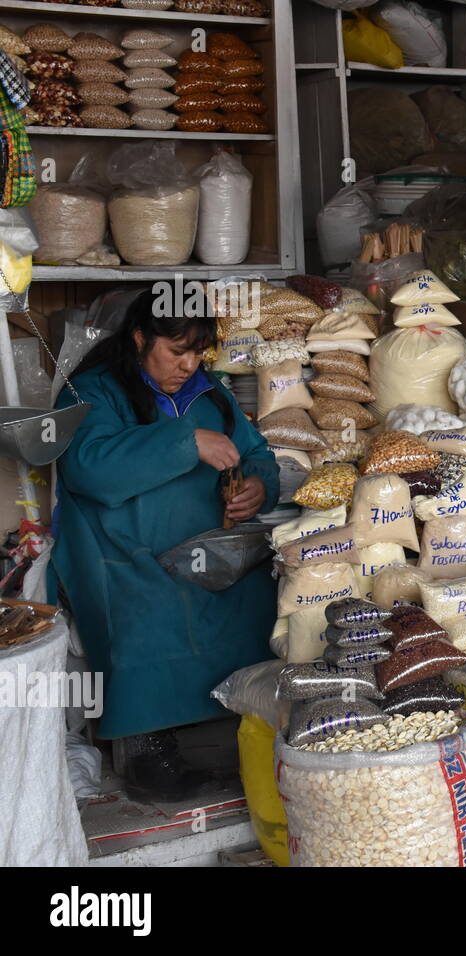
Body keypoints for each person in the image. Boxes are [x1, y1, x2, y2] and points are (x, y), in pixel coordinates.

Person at [51, 291, 279, 802]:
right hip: (122, 549)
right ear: (139, 338)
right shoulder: (92, 391)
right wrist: (186, 441)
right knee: (146, 609)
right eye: (177, 351)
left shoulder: (212, 394)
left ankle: (236, 738)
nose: (189, 365)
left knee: (257, 598)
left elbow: (258, 454)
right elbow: (88, 465)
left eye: (198, 353)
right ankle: (149, 754)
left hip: (206, 547)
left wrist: (258, 486)